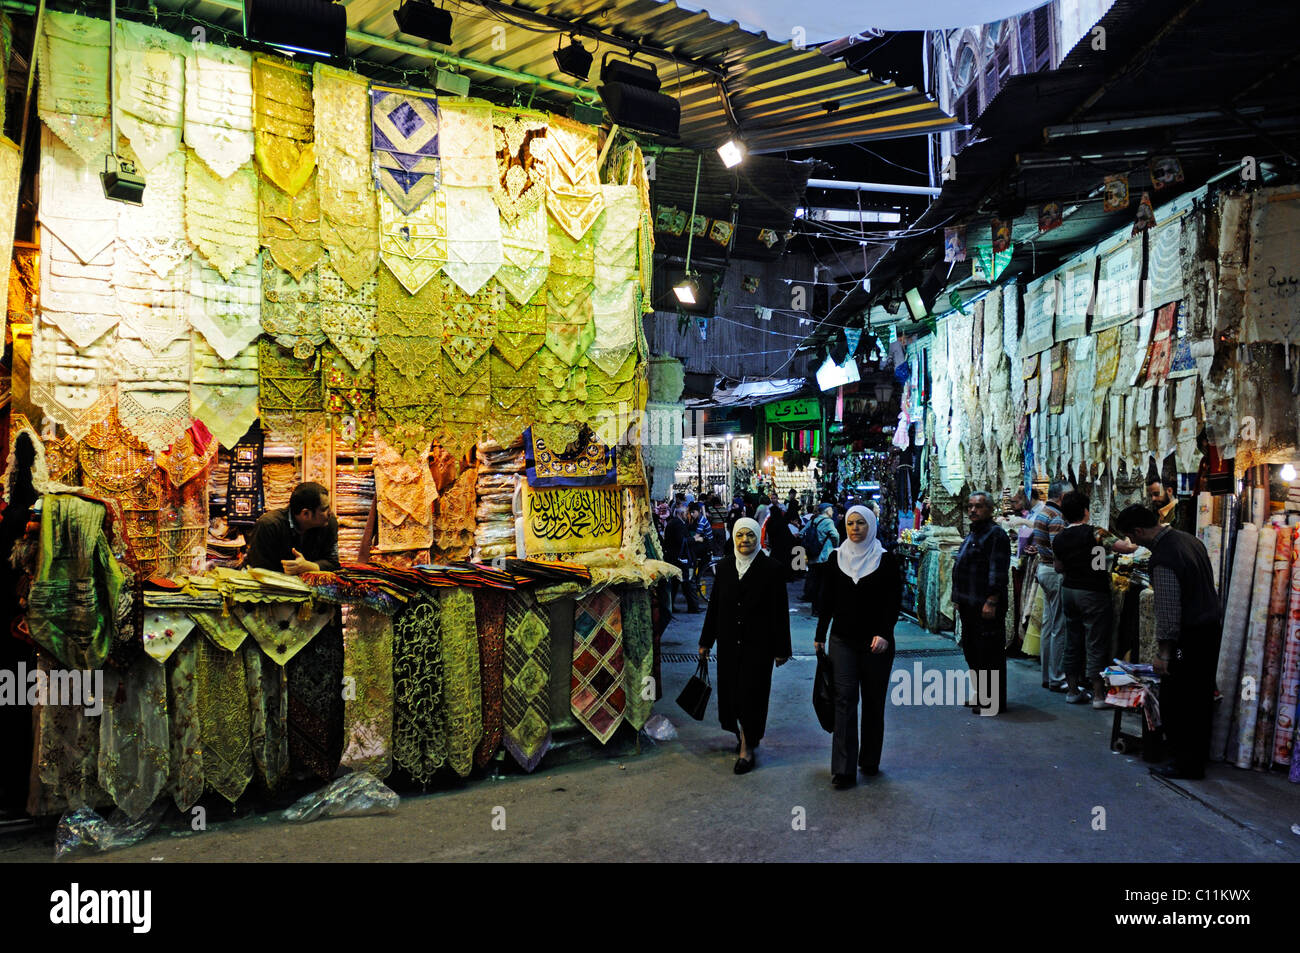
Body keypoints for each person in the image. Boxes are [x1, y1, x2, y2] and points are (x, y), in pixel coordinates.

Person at [1115, 504, 1222, 780]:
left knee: (1179, 698)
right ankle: (1195, 759)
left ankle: (1184, 763)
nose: (1134, 543)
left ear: (1138, 531)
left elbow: (1168, 609)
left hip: (1188, 638)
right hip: (1208, 630)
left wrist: (1164, 653)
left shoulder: (1163, 557)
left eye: (1132, 537)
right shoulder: (1190, 540)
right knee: (1199, 697)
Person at [814, 506, 901, 788]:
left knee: (873, 702)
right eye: (850, 523)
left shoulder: (885, 560)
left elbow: (892, 602)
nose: (854, 528)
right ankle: (843, 769)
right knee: (844, 701)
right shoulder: (836, 558)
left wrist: (885, 633)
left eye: (861, 523)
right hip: (842, 641)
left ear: (871, 525)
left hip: (876, 643)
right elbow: (826, 600)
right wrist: (819, 635)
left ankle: (870, 759)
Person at [698, 518, 792, 775]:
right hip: (729, 644)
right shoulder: (726, 567)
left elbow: (780, 612)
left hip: (758, 645)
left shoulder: (771, 568)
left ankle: (746, 749)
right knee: (732, 694)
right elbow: (715, 606)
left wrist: (782, 648)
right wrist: (706, 641)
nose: (745, 541)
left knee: (752, 695)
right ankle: (744, 735)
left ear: (757, 538)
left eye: (750, 535)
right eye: (740, 535)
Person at [1053, 491, 1138, 708]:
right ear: (1085, 511)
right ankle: (1099, 696)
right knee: (1096, 642)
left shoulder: (1060, 537)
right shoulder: (1096, 533)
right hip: (1092, 593)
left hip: (1069, 591)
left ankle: (1072, 691)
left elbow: (1058, 567)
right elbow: (1125, 548)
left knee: (1072, 642)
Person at [952, 491, 1012, 715]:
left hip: (985, 604)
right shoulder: (973, 534)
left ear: (989, 509)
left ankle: (993, 700)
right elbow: (961, 567)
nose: (973, 511)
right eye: (970, 506)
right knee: (972, 650)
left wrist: (992, 600)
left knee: (989, 653)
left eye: (978, 506)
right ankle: (981, 694)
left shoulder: (995, 534)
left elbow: (998, 570)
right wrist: (957, 599)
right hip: (969, 603)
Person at [245, 481, 339, 575]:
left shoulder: (328, 523)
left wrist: (311, 567)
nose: (330, 512)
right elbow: (258, 570)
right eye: (324, 509)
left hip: (309, 585)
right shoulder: (269, 525)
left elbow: (334, 564)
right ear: (306, 514)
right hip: (272, 585)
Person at [1030, 482, 1069, 692]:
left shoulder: (1043, 512)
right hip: (1054, 572)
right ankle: (1057, 677)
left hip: (1044, 569)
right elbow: (1058, 548)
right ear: (1062, 496)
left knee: (1049, 624)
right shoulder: (1056, 517)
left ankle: (1047, 675)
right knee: (1058, 626)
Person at [802, 502, 841, 615]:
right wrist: (835, 546)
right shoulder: (828, 522)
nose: (833, 512)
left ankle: (814, 609)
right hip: (824, 558)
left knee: (815, 583)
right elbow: (835, 535)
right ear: (827, 510)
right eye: (831, 510)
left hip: (813, 557)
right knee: (823, 585)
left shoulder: (813, 520)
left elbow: (802, 532)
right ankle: (821, 609)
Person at [663, 505, 700, 613]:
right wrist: (694, 539)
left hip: (674, 557)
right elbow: (681, 541)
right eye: (686, 513)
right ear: (681, 514)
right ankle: (693, 607)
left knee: (677, 582)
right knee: (685, 582)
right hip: (678, 558)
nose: (687, 515)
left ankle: (676, 606)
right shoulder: (677, 524)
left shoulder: (674, 523)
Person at [765, 502, 796, 578]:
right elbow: (787, 534)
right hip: (784, 545)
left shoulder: (770, 522)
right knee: (785, 560)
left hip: (775, 545)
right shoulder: (782, 521)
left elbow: (769, 533)